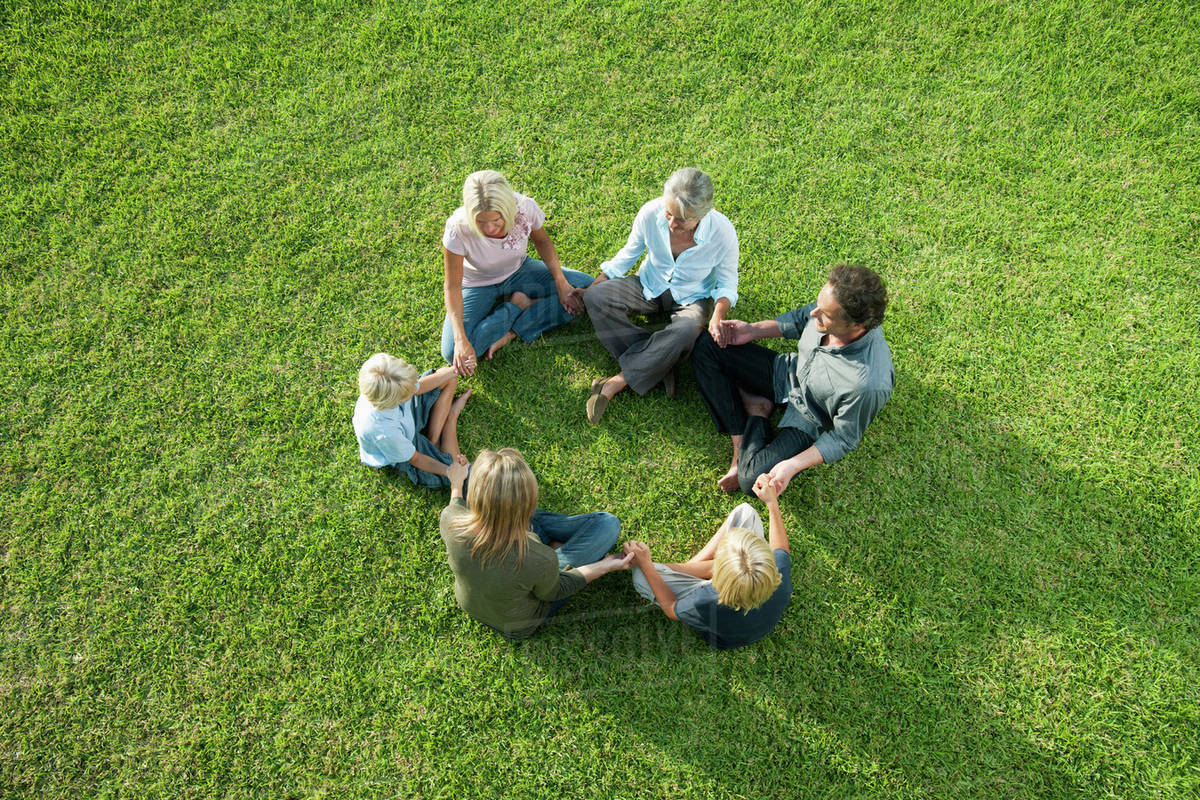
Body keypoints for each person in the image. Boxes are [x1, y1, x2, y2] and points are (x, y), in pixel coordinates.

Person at [691, 264, 894, 495]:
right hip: (787, 373)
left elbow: (843, 438)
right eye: (818, 305)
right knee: (709, 345)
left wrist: (793, 464)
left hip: (809, 417)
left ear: (857, 326)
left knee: (751, 481)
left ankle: (758, 411)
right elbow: (799, 320)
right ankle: (739, 439)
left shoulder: (867, 384)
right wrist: (753, 330)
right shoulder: (829, 305)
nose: (814, 313)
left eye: (824, 315)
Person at [573, 167, 739, 423]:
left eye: (682, 220)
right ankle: (662, 364)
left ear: (703, 214)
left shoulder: (723, 233)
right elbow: (628, 254)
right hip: (648, 285)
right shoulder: (650, 213)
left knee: (688, 329)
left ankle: (616, 382)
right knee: (596, 298)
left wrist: (717, 315)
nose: (672, 224)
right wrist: (593, 288)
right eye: (669, 213)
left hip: (691, 297)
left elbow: (727, 282)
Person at [440, 449, 635, 639]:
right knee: (608, 525)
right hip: (519, 624)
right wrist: (606, 565)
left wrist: (457, 483)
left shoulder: (450, 520)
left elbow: (455, 503)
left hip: (470, 603)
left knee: (482, 474)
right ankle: (542, 533)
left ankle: (517, 514)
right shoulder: (538, 557)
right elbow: (555, 592)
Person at [441, 170, 593, 375]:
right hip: (477, 284)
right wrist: (460, 339)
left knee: (589, 291)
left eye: (496, 220)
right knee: (454, 354)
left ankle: (515, 328)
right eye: (480, 221)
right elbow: (452, 285)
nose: (489, 228)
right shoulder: (457, 228)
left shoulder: (525, 208)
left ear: (508, 209)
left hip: (520, 270)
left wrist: (561, 283)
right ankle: (517, 306)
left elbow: (542, 241)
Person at [623, 474, 792, 650]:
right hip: (742, 592)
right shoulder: (776, 573)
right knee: (746, 512)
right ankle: (684, 568)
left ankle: (674, 568)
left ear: (716, 577)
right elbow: (781, 549)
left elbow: (671, 609)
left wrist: (647, 565)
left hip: (723, 632)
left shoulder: (707, 600)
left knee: (641, 575)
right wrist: (771, 502)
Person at [352, 352, 471, 488]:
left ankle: (433, 439)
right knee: (457, 467)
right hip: (405, 445)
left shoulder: (389, 385)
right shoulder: (385, 432)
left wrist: (455, 370)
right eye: (409, 391)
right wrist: (449, 471)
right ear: (396, 400)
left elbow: (419, 387)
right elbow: (416, 459)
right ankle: (451, 416)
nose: (414, 389)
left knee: (448, 377)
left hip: (406, 418)